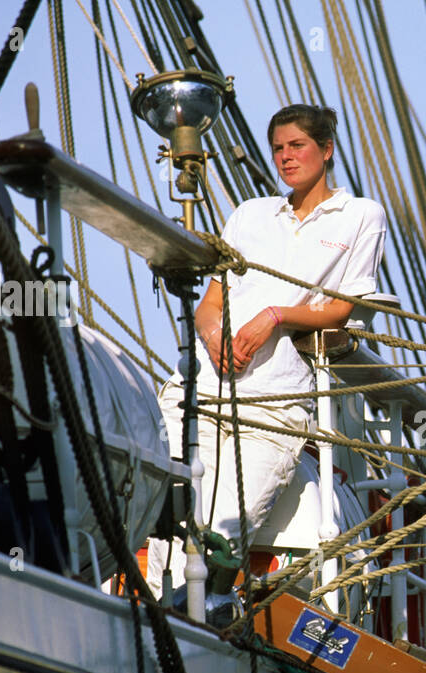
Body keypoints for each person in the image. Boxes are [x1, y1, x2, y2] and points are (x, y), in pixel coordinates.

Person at [148, 104, 387, 597]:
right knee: (161, 525)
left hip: (273, 410)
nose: (284, 157)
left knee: (223, 532)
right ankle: (158, 635)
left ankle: (193, 628)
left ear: (326, 150)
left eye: (296, 146)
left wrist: (276, 315)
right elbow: (209, 305)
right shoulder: (250, 215)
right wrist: (214, 337)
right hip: (200, 394)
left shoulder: (360, 216)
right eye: (277, 148)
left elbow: (342, 310)